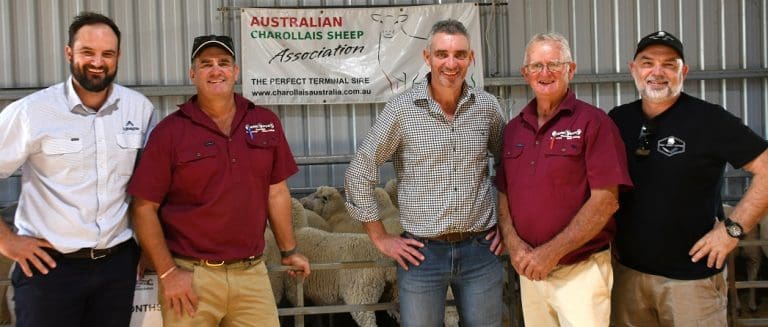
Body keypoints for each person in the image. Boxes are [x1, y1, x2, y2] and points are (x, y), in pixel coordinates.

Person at [127, 34, 310, 326]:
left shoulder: (264, 122)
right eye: (206, 64)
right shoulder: (170, 133)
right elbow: (143, 207)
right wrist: (168, 273)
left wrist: (289, 251)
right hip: (191, 277)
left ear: (235, 72)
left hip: (252, 275)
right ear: (193, 74)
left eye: (224, 63)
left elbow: (276, 193)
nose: (216, 70)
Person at [345, 19, 506, 326]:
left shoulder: (487, 108)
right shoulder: (401, 110)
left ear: (471, 58)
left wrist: (509, 228)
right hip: (421, 256)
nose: (451, 63)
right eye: (442, 54)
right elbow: (360, 169)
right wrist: (380, 238)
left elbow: (511, 168)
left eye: (460, 54)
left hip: (480, 252)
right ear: (427, 57)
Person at [0, 12, 154, 327]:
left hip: (116, 266)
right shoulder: (32, 112)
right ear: (69, 53)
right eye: (87, 52)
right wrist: (6, 241)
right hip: (48, 268)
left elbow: (153, 187)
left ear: (118, 57)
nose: (97, 62)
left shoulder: (139, 110)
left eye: (107, 54)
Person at [609, 30, 768, 326]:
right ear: (633, 69)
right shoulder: (618, 120)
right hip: (627, 277)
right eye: (647, 63)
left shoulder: (710, 120)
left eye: (669, 64)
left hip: (691, 282)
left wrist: (732, 230)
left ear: (683, 71)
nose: (657, 72)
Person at [495, 32, 632, 326]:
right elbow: (504, 193)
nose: (545, 73)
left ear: (571, 69)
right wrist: (515, 246)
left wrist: (550, 253)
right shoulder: (514, 129)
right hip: (531, 272)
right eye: (536, 66)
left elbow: (606, 201)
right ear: (525, 73)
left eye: (554, 64)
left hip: (580, 272)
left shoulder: (594, 123)